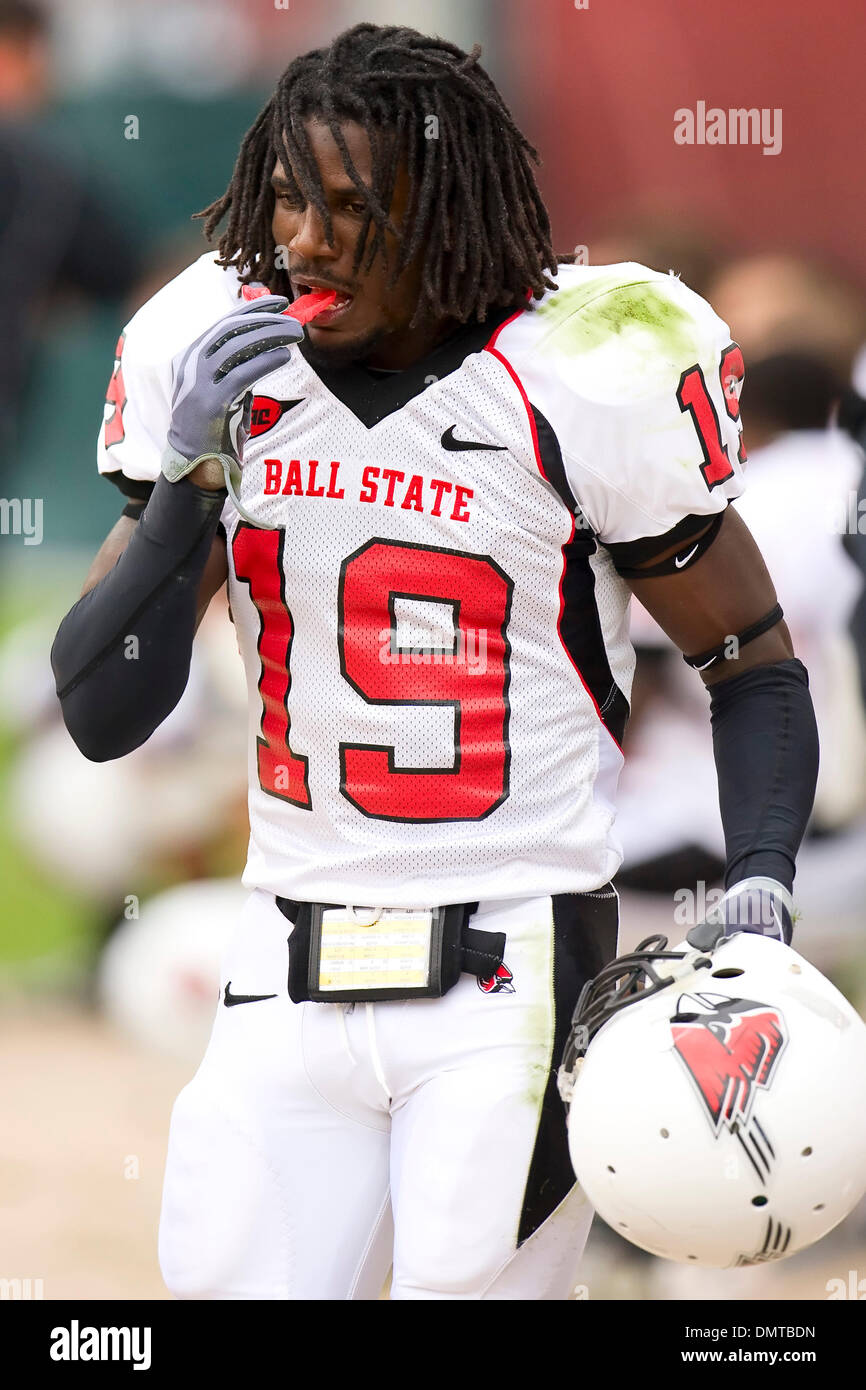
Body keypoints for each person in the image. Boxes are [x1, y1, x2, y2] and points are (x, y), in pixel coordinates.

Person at [50, 23, 819, 1301]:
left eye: (352, 209)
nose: (302, 240)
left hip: (508, 956)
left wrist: (757, 882)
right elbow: (102, 709)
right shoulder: (217, 351)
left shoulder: (583, 367)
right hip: (281, 952)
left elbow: (747, 661)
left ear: (445, 213)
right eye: (290, 200)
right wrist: (187, 477)